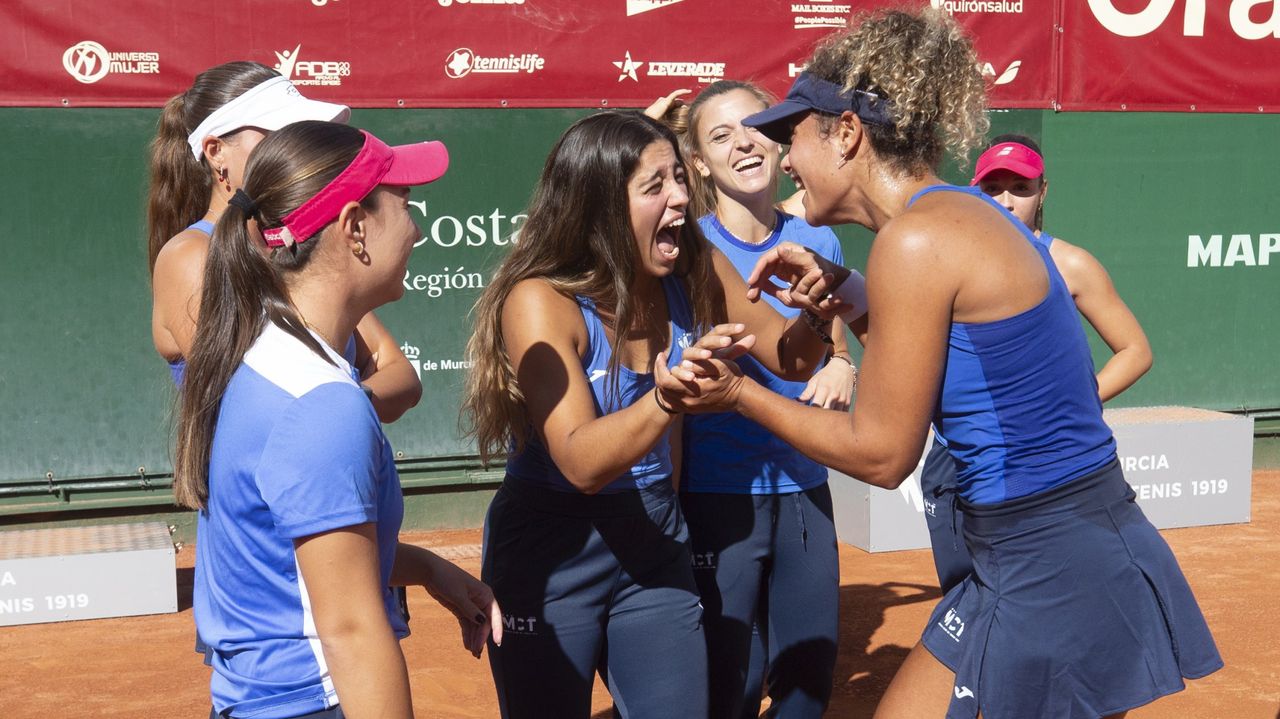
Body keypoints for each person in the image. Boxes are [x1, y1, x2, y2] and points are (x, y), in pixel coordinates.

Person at [659, 8, 1221, 718]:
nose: (786, 159)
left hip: (1049, 558)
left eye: (791, 135)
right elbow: (959, 356)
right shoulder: (953, 215)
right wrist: (843, 290)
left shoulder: (916, 242)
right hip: (1040, 545)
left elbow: (882, 454)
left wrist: (738, 395)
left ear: (846, 133)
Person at [460, 110, 853, 718]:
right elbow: (581, 462)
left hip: (655, 537)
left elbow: (788, 357)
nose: (681, 197)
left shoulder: (692, 262)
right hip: (550, 547)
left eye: (678, 177)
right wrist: (666, 399)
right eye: (655, 186)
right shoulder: (539, 300)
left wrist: (816, 311)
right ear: (600, 205)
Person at [174, 121, 501, 719]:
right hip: (314, 701)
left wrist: (428, 569)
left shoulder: (263, 356)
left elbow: (296, 557)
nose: (417, 229)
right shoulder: (321, 401)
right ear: (355, 228)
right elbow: (351, 631)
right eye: (405, 206)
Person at [647, 81, 860, 718]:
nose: (743, 144)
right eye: (721, 136)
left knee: (807, 679)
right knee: (730, 683)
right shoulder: (680, 252)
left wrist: (843, 361)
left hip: (805, 484)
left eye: (755, 128)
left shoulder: (819, 240)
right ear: (697, 164)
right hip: (717, 494)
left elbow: (832, 337)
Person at [922, 133, 1156, 593]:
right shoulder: (942, 260)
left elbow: (1135, 351)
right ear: (974, 190)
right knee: (965, 598)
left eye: (1021, 188)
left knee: (1045, 596)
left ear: (1042, 192)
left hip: (1042, 460)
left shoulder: (1071, 264)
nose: (1006, 202)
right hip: (956, 458)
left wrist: (1073, 402)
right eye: (993, 188)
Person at [148, 61, 421, 422]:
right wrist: (341, 403)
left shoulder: (301, 239)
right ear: (216, 152)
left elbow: (401, 375)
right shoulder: (189, 256)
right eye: (278, 133)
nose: (298, 147)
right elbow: (259, 401)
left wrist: (341, 406)